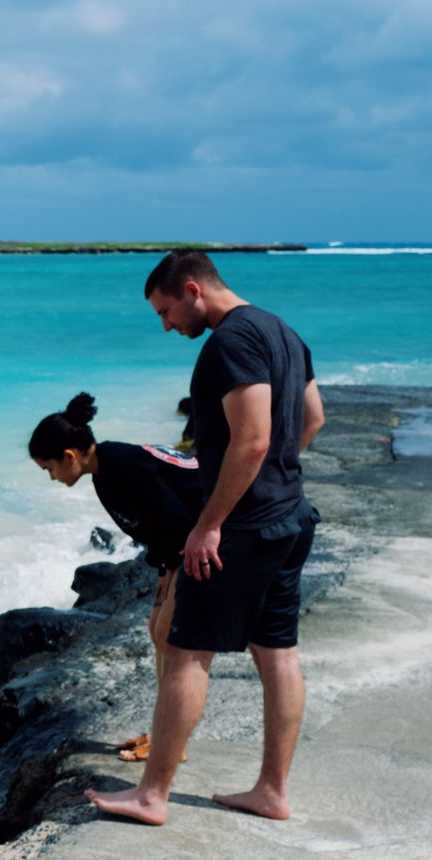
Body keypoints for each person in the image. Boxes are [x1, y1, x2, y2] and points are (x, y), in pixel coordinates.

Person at [93, 250, 322, 824]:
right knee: (278, 654)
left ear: (193, 290)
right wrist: (276, 481)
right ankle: (272, 791)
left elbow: (251, 441)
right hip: (289, 518)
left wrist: (210, 523)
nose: (167, 325)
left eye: (167, 310)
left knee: (184, 651)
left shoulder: (230, 342)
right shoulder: (283, 331)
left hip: (242, 528)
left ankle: (152, 795)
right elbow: (313, 416)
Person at [28, 393, 205, 760]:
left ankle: (173, 743)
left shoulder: (121, 467)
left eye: (50, 469)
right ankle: (165, 731)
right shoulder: (107, 467)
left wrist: (172, 566)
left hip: (212, 539)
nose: (52, 478)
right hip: (182, 547)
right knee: (158, 630)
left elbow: (177, 517)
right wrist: (163, 567)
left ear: (69, 457)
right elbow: (155, 522)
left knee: (171, 640)